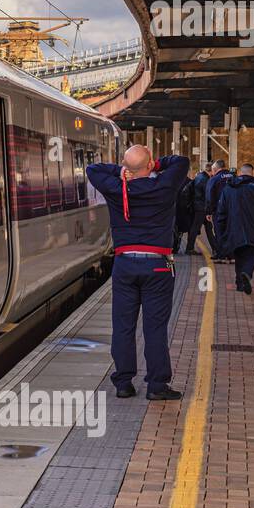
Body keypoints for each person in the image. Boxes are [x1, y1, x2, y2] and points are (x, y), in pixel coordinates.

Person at [86, 145, 189, 401]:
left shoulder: (115, 188)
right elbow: (181, 161)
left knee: (123, 326)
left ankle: (123, 383)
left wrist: (121, 170)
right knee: (155, 328)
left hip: (125, 264)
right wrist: (154, 165)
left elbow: (93, 169)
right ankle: (156, 386)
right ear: (151, 164)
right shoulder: (164, 185)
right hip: (158, 265)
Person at [214, 163, 254, 294]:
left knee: (239, 255)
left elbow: (221, 211)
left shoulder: (229, 187)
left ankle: (239, 284)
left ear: (240, 173)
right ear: (252, 172)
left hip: (234, 228)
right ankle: (247, 274)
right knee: (252, 254)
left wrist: (221, 229)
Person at [203, 160, 233, 260]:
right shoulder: (235, 178)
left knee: (219, 232)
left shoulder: (214, 179)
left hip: (219, 211)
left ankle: (221, 255)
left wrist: (208, 211)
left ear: (215, 169)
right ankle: (231, 255)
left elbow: (209, 197)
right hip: (233, 210)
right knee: (231, 231)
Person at [185, 163, 212, 254]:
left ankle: (216, 248)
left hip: (198, 206)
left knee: (206, 228)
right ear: (210, 170)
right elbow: (207, 194)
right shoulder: (205, 179)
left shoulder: (199, 176)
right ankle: (189, 248)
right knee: (196, 228)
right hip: (201, 207)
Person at [174, 166, 195, 253]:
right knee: (181, 230)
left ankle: (174, 246)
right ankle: (183, 246)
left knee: (174, 229)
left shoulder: (173, 182)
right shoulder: (190, 182)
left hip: (173, 210)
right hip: (185, 211)